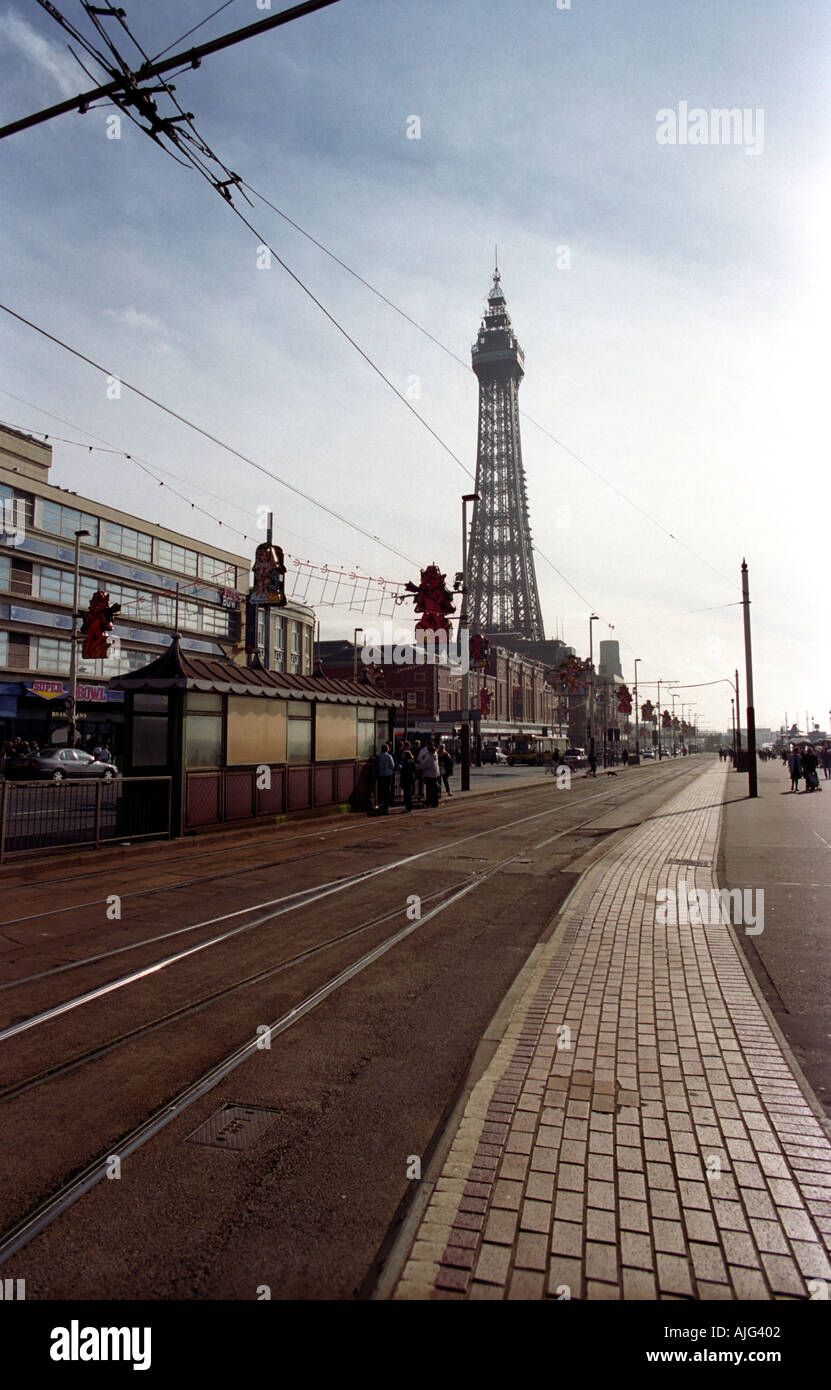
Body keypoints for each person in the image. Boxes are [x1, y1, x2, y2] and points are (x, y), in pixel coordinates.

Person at [416, 740, 440, 808]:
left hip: (429, 775)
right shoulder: (434, 755)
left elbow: (424, 765)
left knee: (430, 789)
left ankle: (430, 801)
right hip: (434, 774)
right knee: (434, 789)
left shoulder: (430, 757)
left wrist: (417, 767)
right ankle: (434, 801)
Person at [375, 742, 395, 813]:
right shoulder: (389, 756)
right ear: (387, 749)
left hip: (381, 774)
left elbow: (377, 766)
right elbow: (392, 766)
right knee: (387, 789)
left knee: (381, 789)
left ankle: (380, 803)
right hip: (388, 774)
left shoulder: (378, 756)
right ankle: (386, 803)